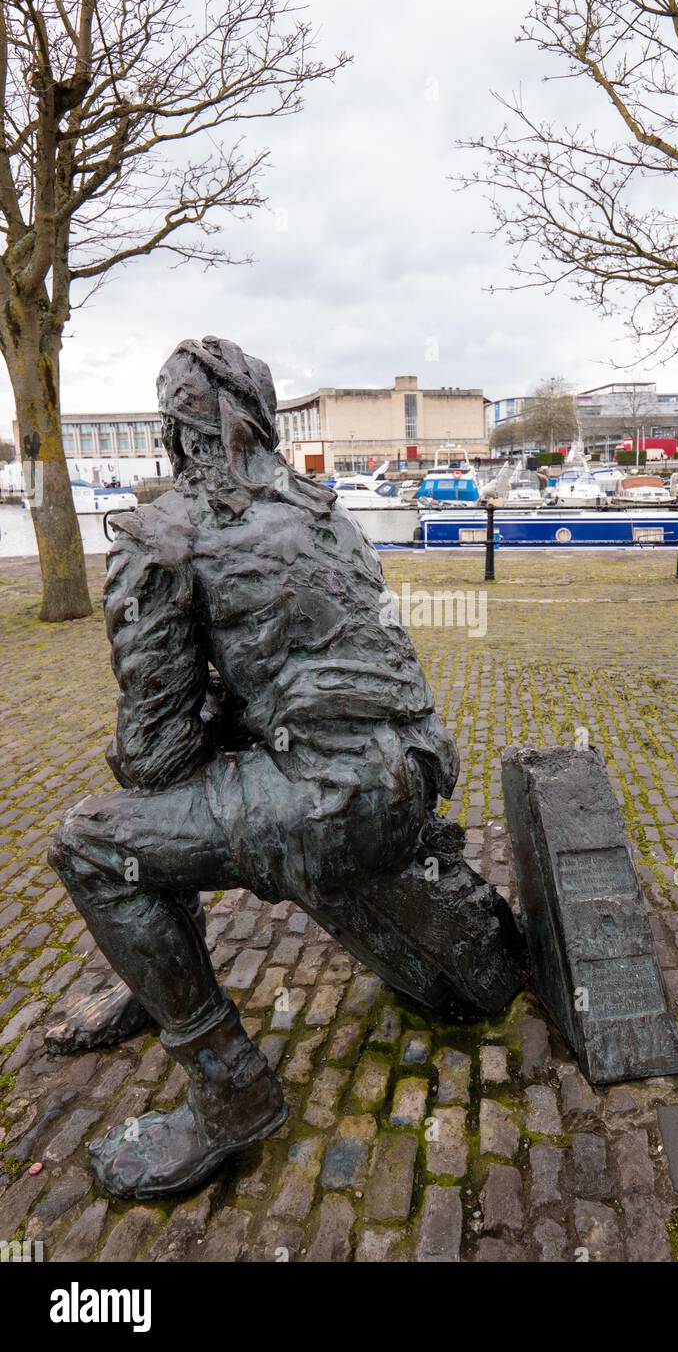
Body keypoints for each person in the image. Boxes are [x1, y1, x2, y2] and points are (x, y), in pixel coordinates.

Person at [49, 337, 522, 1199]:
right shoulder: (324, 512)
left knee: (90, 846)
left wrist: (201, 720)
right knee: (158, 812)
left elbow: (155, 751)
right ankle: (150, 980)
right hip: (414, 769)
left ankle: (227, 1088)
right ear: (262, 419)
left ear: (171, 430)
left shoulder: (164, 536)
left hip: (334, 797)